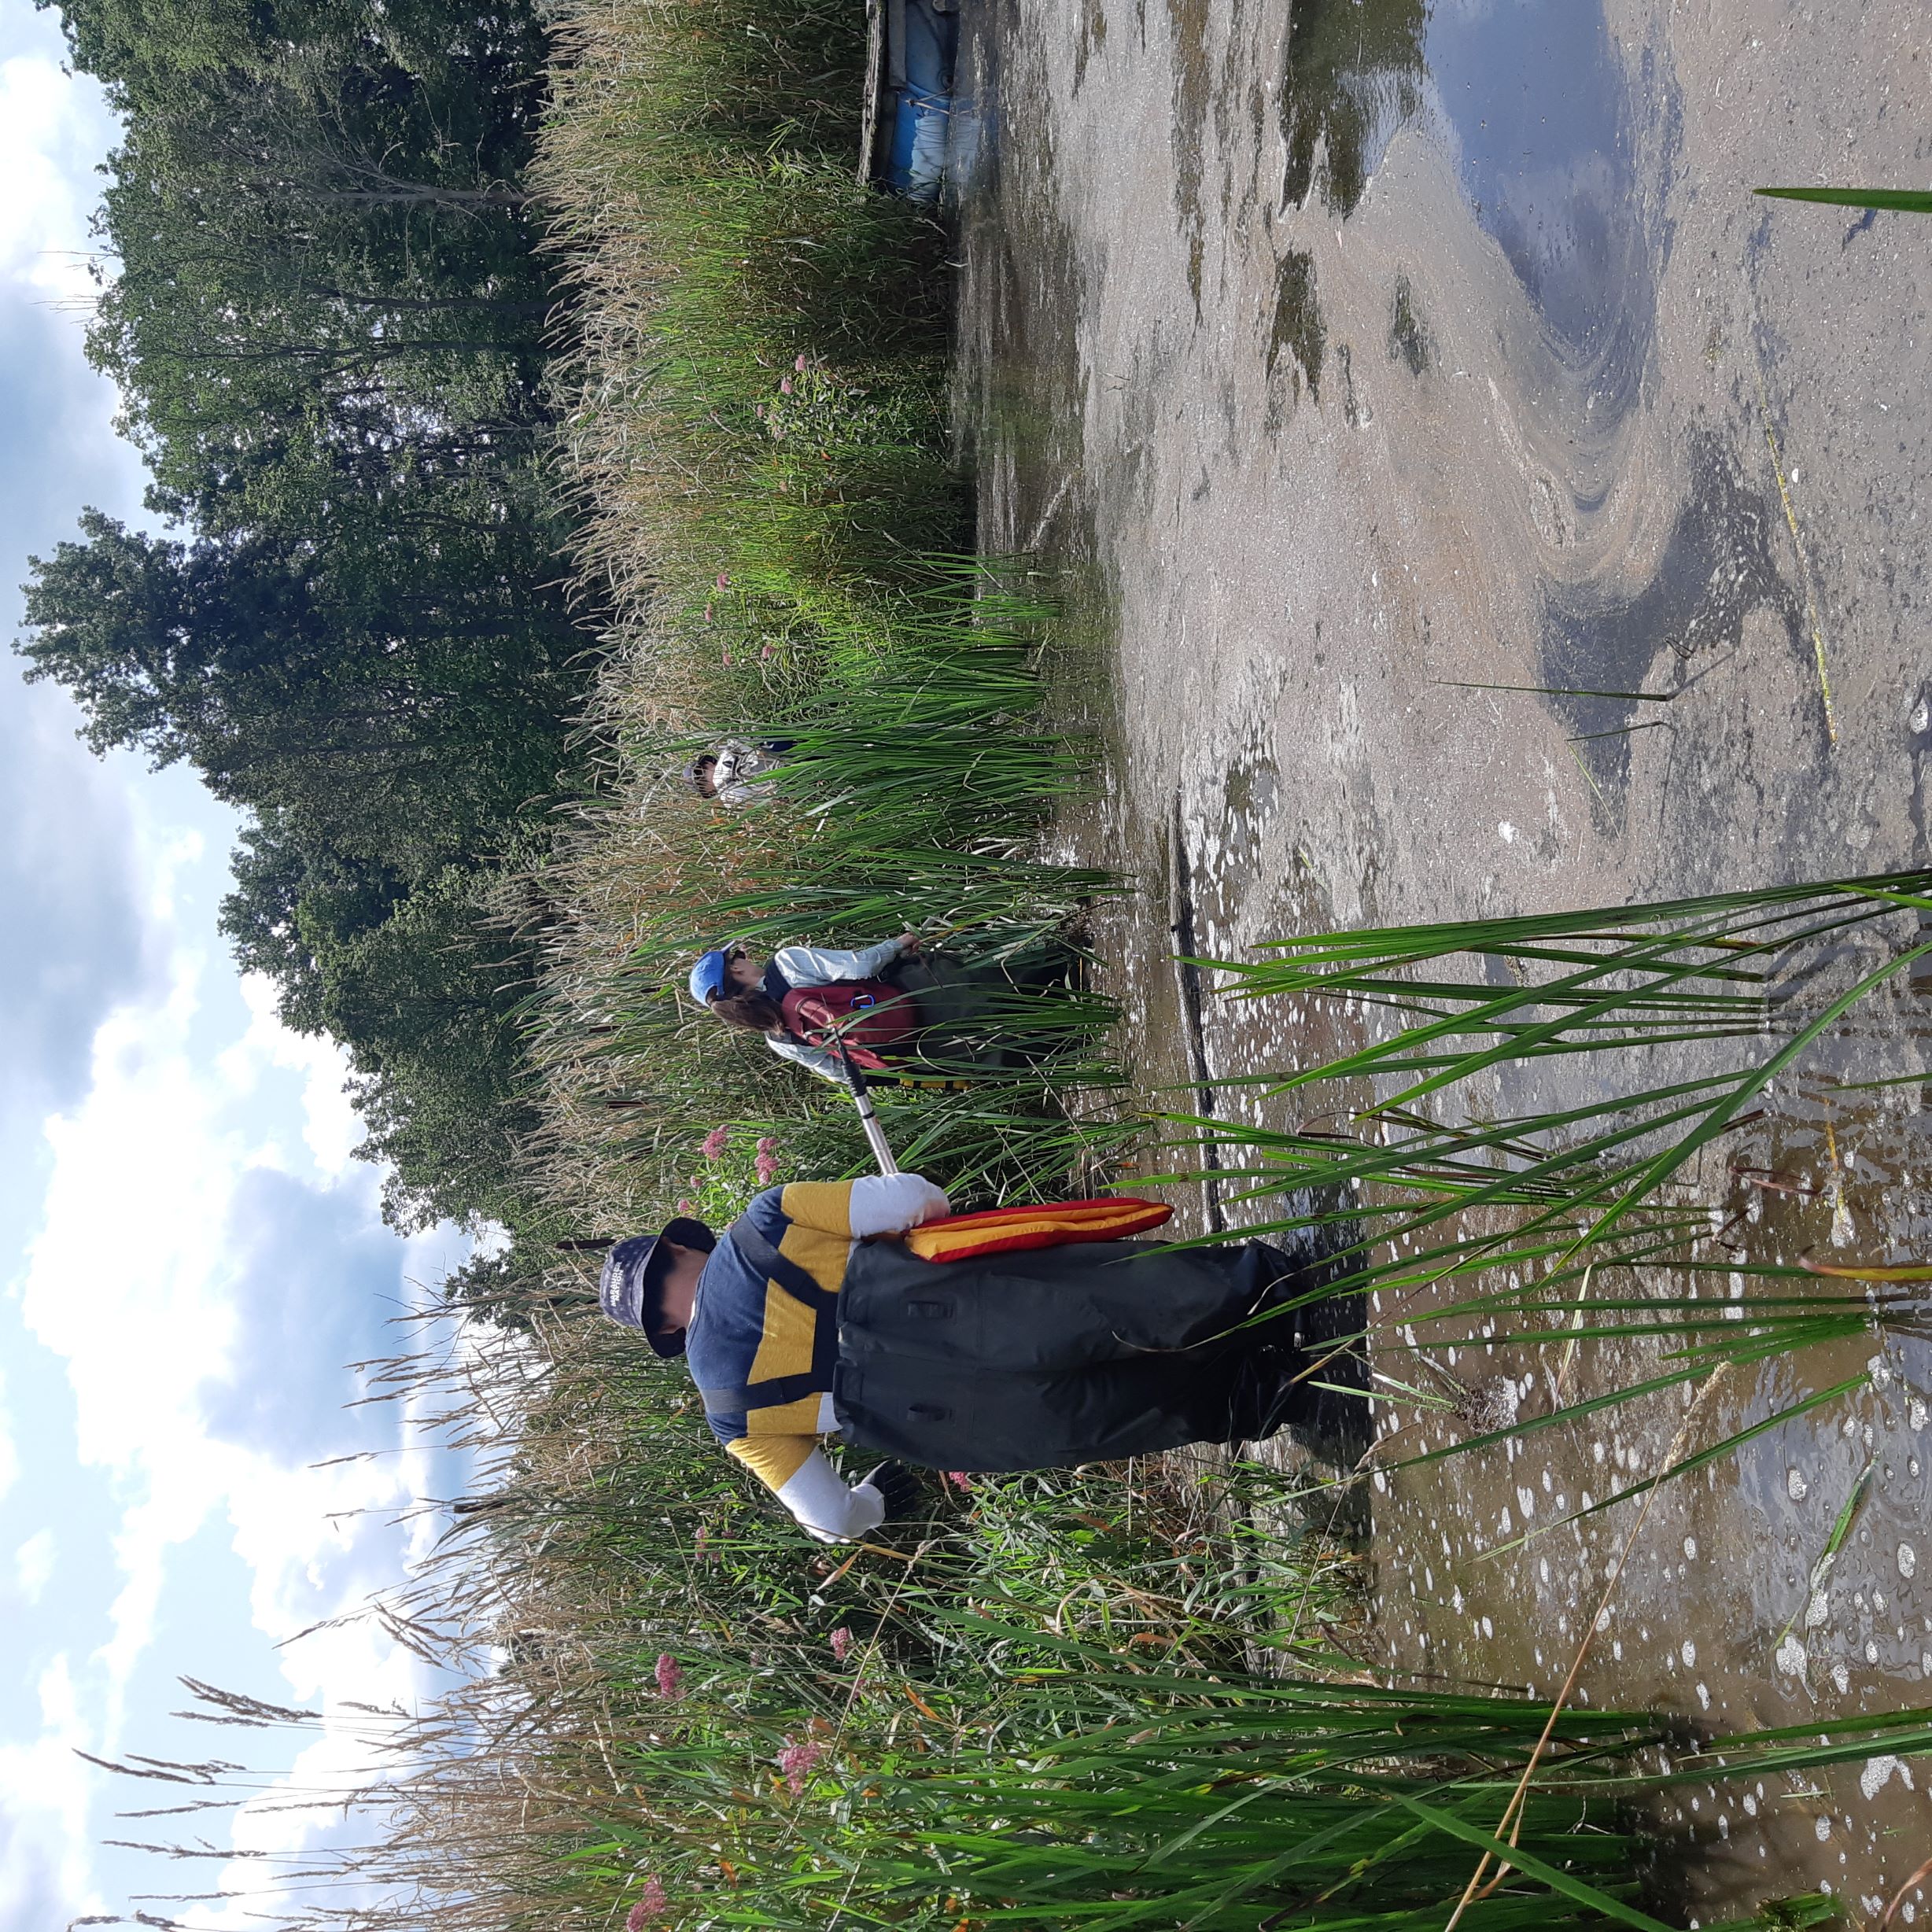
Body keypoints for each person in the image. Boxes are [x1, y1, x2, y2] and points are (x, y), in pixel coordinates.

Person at [597, 1173, 1366, 1542]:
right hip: (964, 1302)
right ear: (683, 1245)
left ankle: (1288, 1390)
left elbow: (830, 1517)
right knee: (1118, 1299)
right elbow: (914, 1202)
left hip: (950, 1420)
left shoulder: (733, 1416)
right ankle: (1279, 1289)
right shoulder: (763, 1222)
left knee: (1116, 1410)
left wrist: (875, 1493)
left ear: (665, 1335)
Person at [689, 932, 930, 1084]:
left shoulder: (777, 1037)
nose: (745, 957)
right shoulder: (786, 963)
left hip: (916, 1049)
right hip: (919, 996)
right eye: (739, 955)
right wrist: (897, 944)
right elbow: (863, 966)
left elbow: (840, 1072)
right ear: (736, 970)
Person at [685, 737, 795, 808]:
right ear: (709, 762)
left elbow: (767, 805)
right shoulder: (729, 748)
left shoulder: (728, 799)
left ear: (708, 792)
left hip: (789, 786)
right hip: (789, 754)